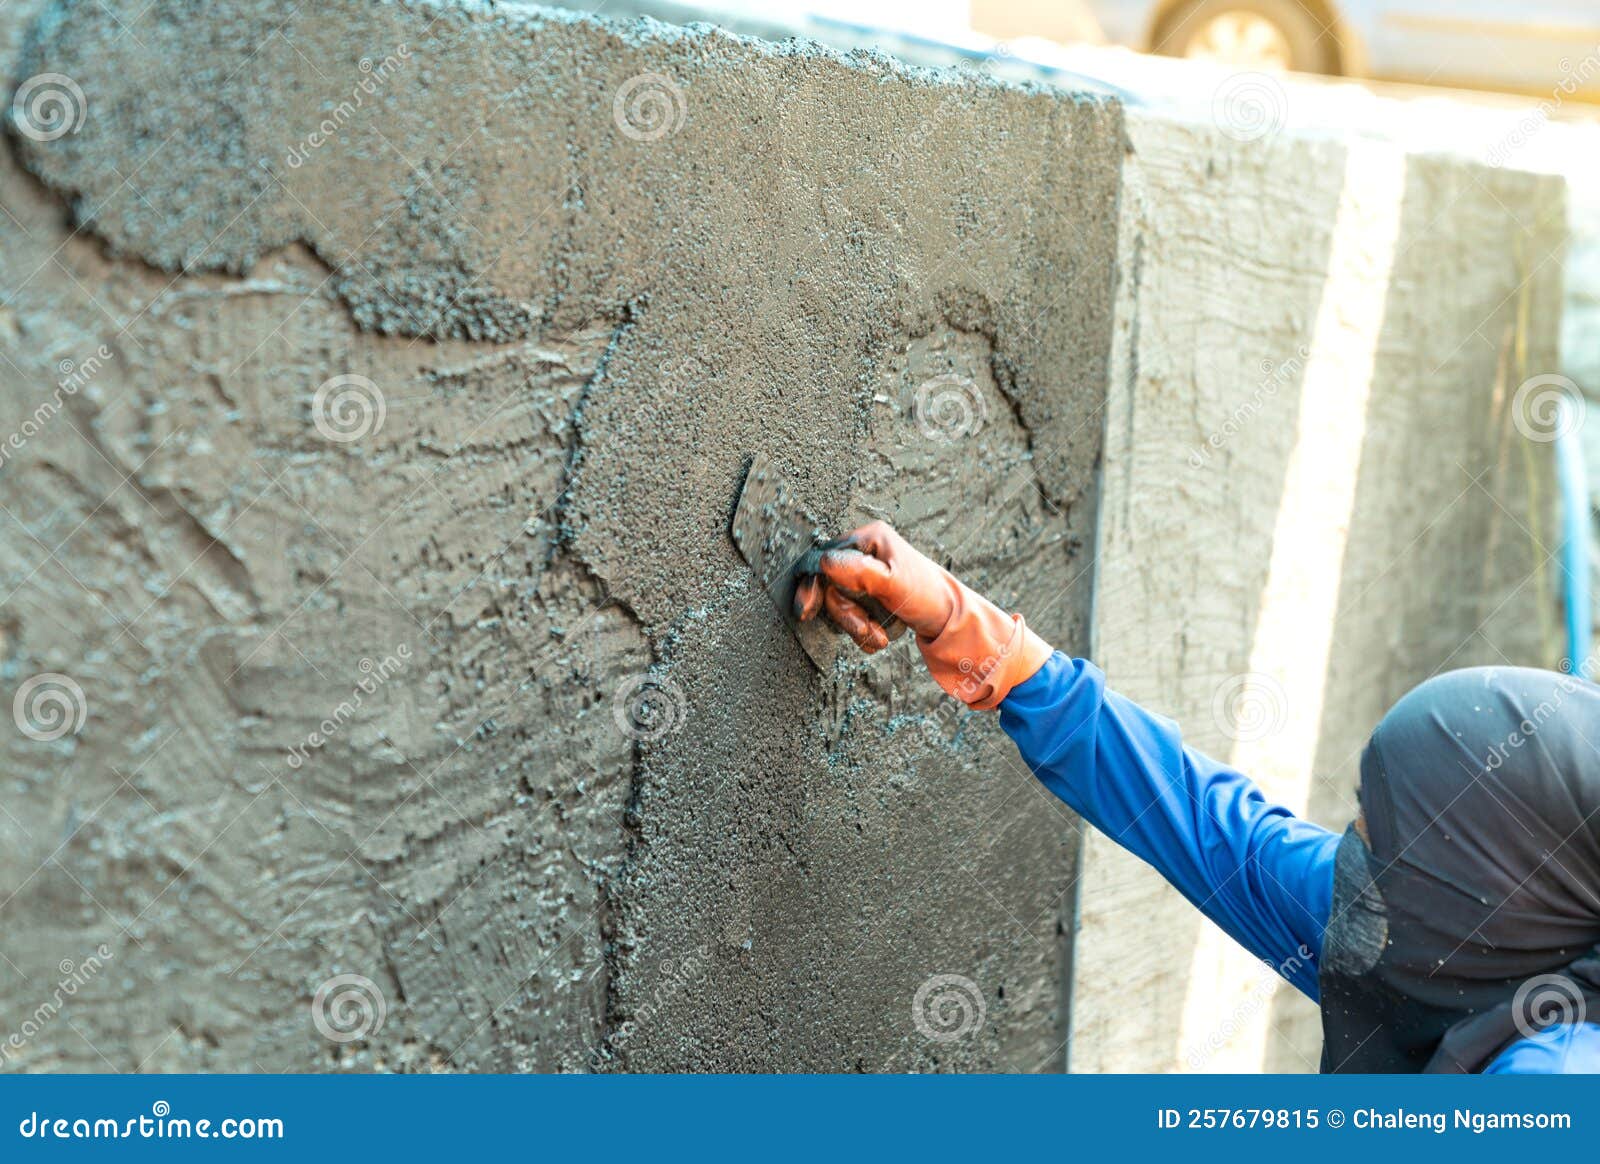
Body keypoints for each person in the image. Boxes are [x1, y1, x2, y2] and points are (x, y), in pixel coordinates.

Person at [796, 522, 1600, 1073]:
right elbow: (1206, 824)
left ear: (1483, 893)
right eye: (1362, 826)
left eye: (1385, 850)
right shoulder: (1458, 935)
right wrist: (955, 618)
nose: (1351, 859)